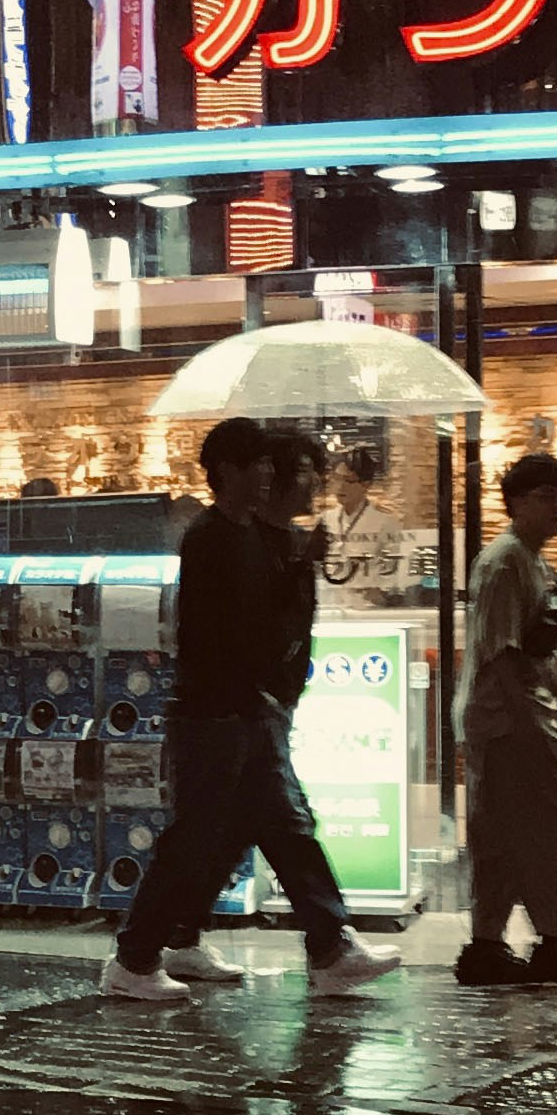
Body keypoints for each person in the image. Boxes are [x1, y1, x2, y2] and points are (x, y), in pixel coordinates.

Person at [107, 415, 393, 1003]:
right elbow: (234, 632)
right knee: (198, 838)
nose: (269, 473)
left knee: (277, 826)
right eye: (259, 463)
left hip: (244, 711)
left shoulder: (242, 535)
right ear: (228, 471)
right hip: (219, 713)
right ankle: (134, 959)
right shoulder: (210, 537)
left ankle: (324, 947)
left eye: (271, 463)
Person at [458, 451, 557, 993]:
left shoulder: (538, 566)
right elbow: (502, 657)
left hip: (523, 722)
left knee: (505, 831)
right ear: (515, 502)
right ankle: (546, 941)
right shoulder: (503, 562)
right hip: (509, 723)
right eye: (545, 498)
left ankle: (492, 943)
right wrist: (530, 726)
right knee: (540, 829)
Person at [321, 438, 413, 611]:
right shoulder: (327, 519)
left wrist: (380, 592)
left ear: (366, 485)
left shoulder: (384, 522)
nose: (340, 487)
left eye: (348, 481)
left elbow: (395, 568)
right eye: (337, 479)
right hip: (331, 604)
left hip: (368, 608)